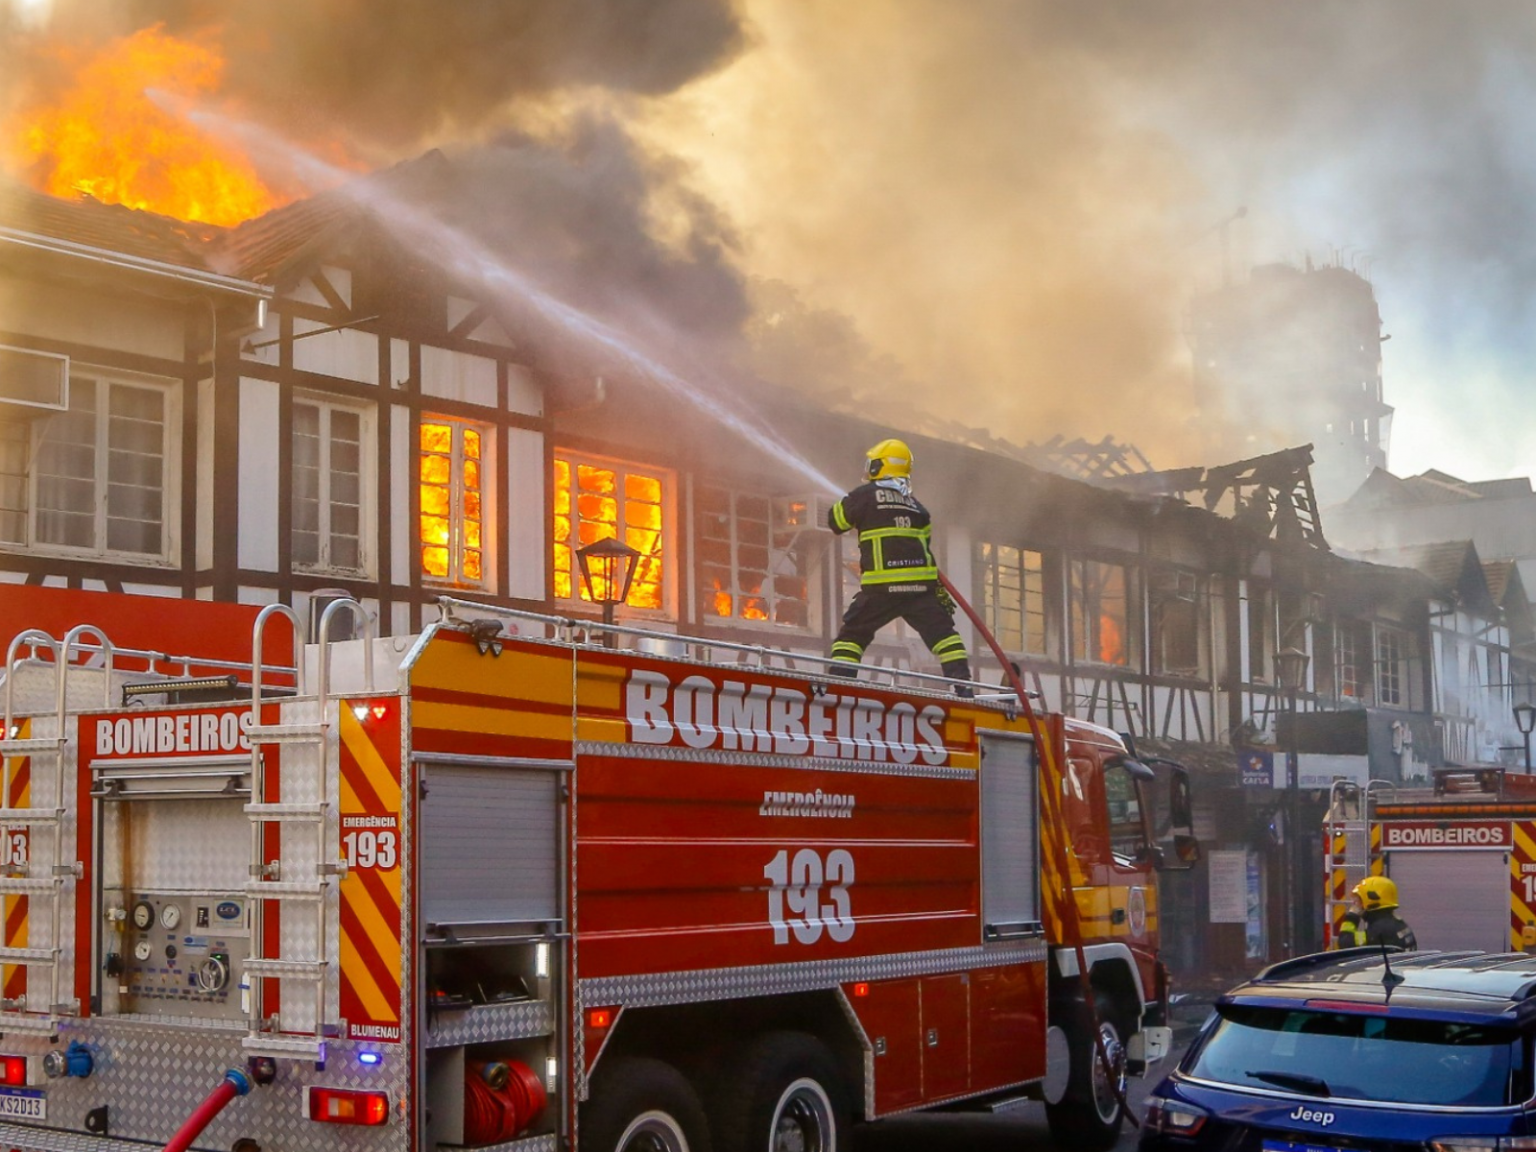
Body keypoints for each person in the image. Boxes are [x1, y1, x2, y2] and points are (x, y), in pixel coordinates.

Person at [826, 438, 973, 693]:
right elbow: (925, 549)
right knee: (944, 636)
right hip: (920, 590)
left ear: (878, 467)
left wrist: (847, 503)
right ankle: (965, 690)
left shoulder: (864, 496)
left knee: (852, 637)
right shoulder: (918, 507)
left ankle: (839, 687)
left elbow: (835, 522)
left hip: (881, 589)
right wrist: (938, 595)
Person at [1336, 876, 1417, 950]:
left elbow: (1345, 942)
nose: (1355, 903)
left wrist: (1352, 916)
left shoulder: (1379, 929)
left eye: (1359, 900)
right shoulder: (1394, 921)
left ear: (1372, 901)